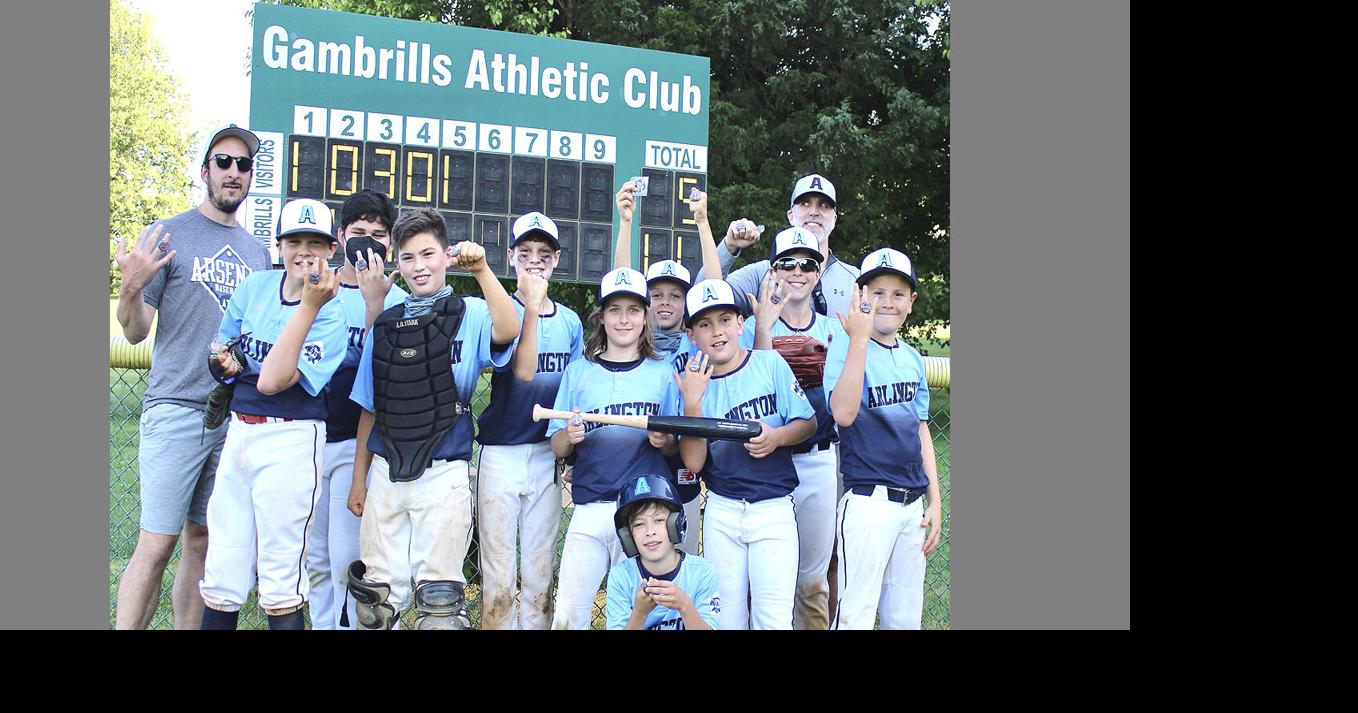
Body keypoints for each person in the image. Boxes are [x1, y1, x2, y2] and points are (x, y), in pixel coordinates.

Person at [113, 124, 271, 630]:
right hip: (176, 407)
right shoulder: (167, 234)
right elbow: (135, 333)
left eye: (243, 165)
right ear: (205, 171)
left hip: (231, 418)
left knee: (201, 542)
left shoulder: (258, 255)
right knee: (156, 544)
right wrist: (130, 290)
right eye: (223, 162)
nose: (233, 172)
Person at [344, 208, 520, 630]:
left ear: (445, 255)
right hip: (387, 468)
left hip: (443, 470)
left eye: (428, 254)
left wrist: (481, 271)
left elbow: (510, 327)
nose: (419, 266)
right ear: (396, 263)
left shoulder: (471, 311)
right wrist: (358, 478)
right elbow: (371, 404)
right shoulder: (385, 320)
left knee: (440, 603)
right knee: (376, 602)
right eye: (407, 257)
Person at [198, 197, 348, 630]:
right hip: (240, 432)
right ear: (279, 245)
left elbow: (272, 381)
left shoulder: (332, 312)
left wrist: (309, 305)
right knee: (222, 573)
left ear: (331, 250)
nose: (304, 251)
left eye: (315, 242)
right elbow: (225, 349)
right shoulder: (254, 287)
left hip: (292, 439)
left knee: (281, 579)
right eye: (295, 240)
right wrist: (223, 365)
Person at [674, 278, 817, 630]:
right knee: (728, 618)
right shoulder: (693, 384)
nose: (717, 332)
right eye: (705, 325)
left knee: (773, 618)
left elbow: (808, 421)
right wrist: (692, 403)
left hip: (773, 507)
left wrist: (777, 437)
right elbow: (692, 463)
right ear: (692, 335)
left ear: (741, 323)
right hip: (723, 509)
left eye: (725, 320)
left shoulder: (768, 364)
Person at [545, 267, 681, 630]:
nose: (624, 319)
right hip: (590, 505)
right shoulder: (579, 372)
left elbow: (675, 450)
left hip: (644, 513)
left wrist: (666, 441)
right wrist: (569, 436)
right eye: (615, 310)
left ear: (646, 317)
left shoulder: (664, 372)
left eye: (633, 310)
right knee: (569, 614)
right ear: (602, 317)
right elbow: (557, 444)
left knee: (639, 615)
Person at [305, 189, 409, 630]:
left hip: (358, 442)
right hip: (306, 433)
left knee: (351, 559)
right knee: (314, 560)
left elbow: (385, 378)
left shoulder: (400, 299)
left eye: (378, 234)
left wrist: (375, 305)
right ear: (341, 236)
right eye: (358, 232)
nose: (367, 242)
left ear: (389, 244)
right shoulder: (316, 288)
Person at [474, 211, 583, 629]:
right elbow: (518, 370)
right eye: (525, 253)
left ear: (556, 259)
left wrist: (572, 453)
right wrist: (530, 307)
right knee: (498, 569)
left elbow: (573, 392)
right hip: (500, 450)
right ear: (511, 258)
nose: (534, 261)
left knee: (539, 568)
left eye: (543, 253)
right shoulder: (497, 312)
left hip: (545, 453)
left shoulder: (570, 321)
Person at [825, 248, 944, 630]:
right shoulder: (845, 348)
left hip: (912, 507)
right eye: (877, 292)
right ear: (860, 295)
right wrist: (858, 340)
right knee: (855, 616)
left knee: (905, 618)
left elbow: (920, 429)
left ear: (911, 302)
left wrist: (935, 499)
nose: (887, 302)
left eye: (897, 293)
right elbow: (842, 415)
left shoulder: (912, 357)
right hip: (868, 503)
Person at [740, 227, 846, 630]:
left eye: (808, 263)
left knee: (812, 578)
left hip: (819, 460)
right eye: (787, 263)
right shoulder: (750, 328)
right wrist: (765, 329)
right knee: (764, 579)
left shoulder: (834, 328)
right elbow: (755, 391)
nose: (798, 271)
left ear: (818, 273)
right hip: (767, 463)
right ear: (773, 271)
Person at [612, 181, 726, 553]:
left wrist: (703, 223)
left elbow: (714, 284)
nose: (664, 303)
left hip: (684, 458)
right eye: (656, 295)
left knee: (684, 555)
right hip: (641, 453)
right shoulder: (632, 340)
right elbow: (619, 282)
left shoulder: (695, 341)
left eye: (675, 295)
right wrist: (626, 223)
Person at [716, 174, 861, 320]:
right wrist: (728, 246)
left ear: (834, 219)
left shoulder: (855, 279)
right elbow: (706, 295)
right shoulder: (762, 274)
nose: (814, 212)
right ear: (790, 215)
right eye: (805, 203)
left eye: (824, 205)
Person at [605, 474, 720, 630]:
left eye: (658, 520)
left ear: (676, 525)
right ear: (628, 535)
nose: (650, 531)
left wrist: (684, 605)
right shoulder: (621, 576)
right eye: (639, 524)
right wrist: (639, 613)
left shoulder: (702, 572)